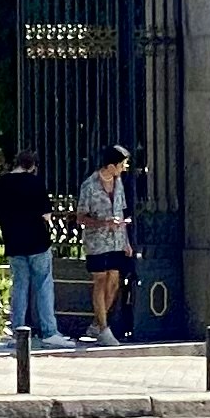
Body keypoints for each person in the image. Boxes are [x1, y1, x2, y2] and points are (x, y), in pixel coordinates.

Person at [0, 151, 69, 347]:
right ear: (33, 166)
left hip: (14, 242)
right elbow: (46, 215)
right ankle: (49, 331)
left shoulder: (2, 184)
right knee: (43, 285)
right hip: (37, 241)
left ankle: (18, 330)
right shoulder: (35, 183)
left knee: (19, 286)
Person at [72, 144, 136, 342]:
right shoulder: (89, 186)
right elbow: (80, 217)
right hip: (97, 242)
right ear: (111, 165)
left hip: (116, 241)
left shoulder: (119, 183)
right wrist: (103, 223)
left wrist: (126, 241)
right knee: (100, 281)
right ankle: (104, 329)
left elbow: (121, 211)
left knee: (114, 282)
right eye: (122, 164)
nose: (125, 168)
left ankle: (97, 324)